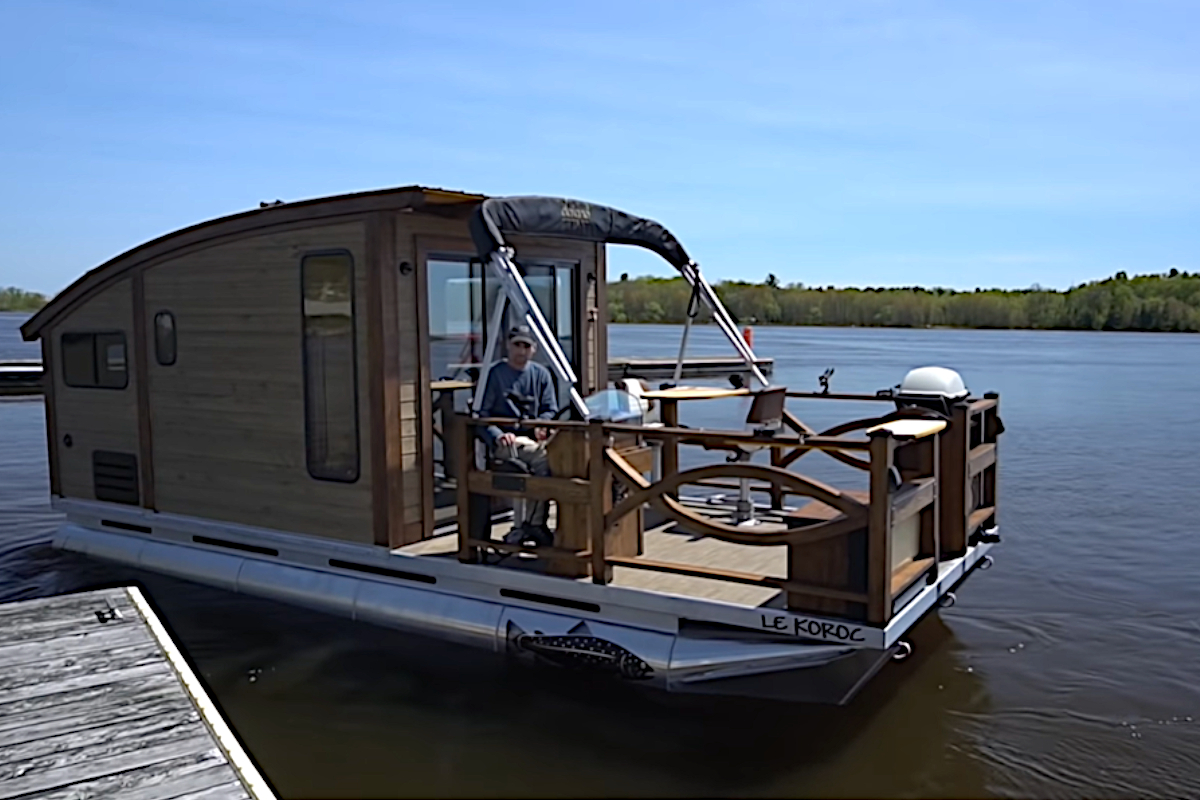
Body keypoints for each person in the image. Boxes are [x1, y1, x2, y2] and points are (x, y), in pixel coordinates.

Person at [478, 325, 558, 548]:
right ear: (507, 345)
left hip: (535, 439)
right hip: (506, 443)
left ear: (534, 349)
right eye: (517, 345)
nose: (521, 351)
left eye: (526, 346)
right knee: (543, 459)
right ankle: (534, 524)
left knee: (561, 458)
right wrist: (498, 435)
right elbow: (481, 414)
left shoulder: (541, 374)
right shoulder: (495, 374)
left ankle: (529, 524)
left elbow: (550, 409)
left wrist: (541, 424)